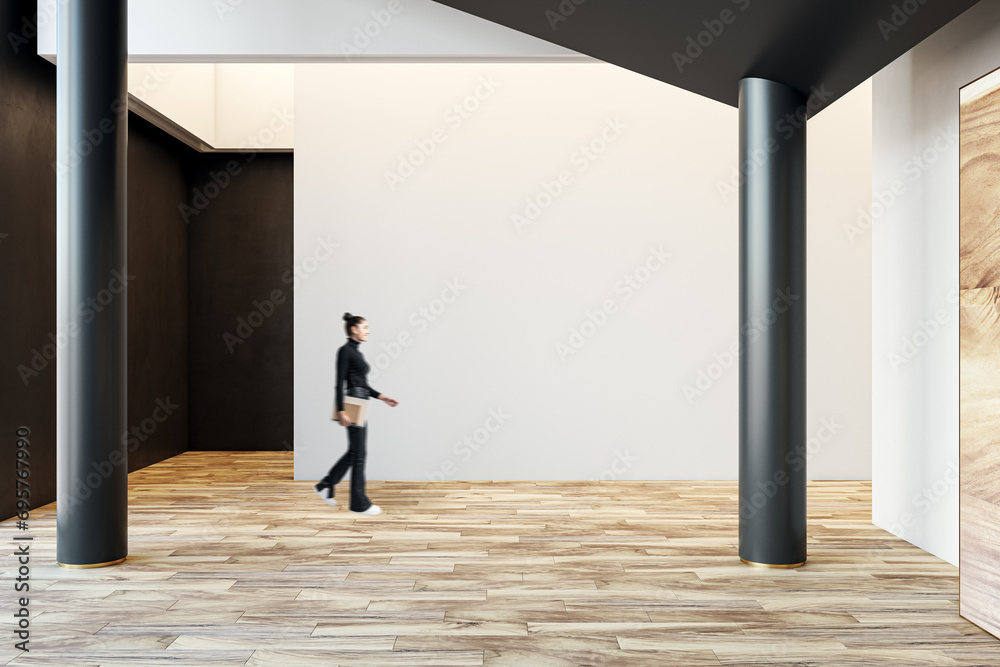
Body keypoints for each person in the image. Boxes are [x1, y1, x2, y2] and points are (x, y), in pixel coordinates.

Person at [315, 313, 398, 514]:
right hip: (352, 405)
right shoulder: (344, 351)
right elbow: (339, 383)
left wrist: (382, 397)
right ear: (354, 329)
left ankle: (327, 484)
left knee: (355, 452)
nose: (368, 331)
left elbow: (362, 385)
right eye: (365, 327)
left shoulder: (356, 353)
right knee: (359, 454)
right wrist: (341, 410)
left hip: (359, 403)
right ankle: (358, 504)